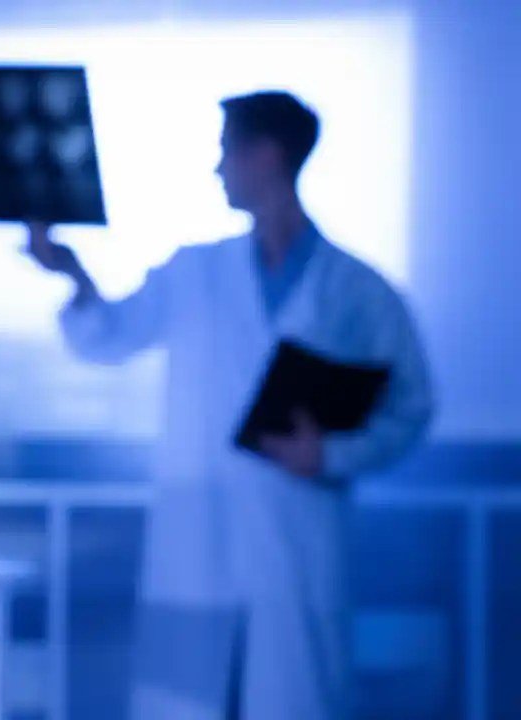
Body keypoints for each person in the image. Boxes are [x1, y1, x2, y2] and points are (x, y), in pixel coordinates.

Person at [27, 91, 434, 720]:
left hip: (295, 529)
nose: (218, 168)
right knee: (184, 700)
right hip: (195, 536)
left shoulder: (358, 291)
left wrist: (330, 452)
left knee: (294, 694)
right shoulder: (195, 272)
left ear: (266, 155)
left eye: (226, 150)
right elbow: (109, 334)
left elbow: (412, 407)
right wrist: (76, 277)